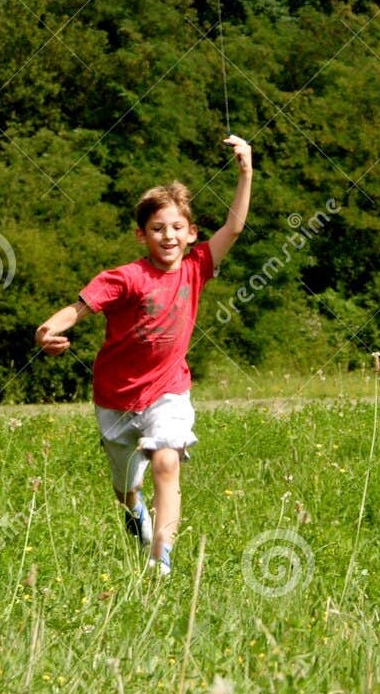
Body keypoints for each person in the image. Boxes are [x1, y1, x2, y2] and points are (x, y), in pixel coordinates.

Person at [34, 136, 252, 577]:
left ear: (191, 233)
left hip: (168, 391)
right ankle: (136, 513)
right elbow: (78, 309)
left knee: (167, 459)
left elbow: (234, 227)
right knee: (126, 489)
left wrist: (245, 171)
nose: (168, 236)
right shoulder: (126, 277)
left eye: (177, 227)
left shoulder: (198, 267)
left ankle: (161, 557)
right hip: (116, 397)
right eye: (157, 228)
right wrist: (47, 331)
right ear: (142, 234)